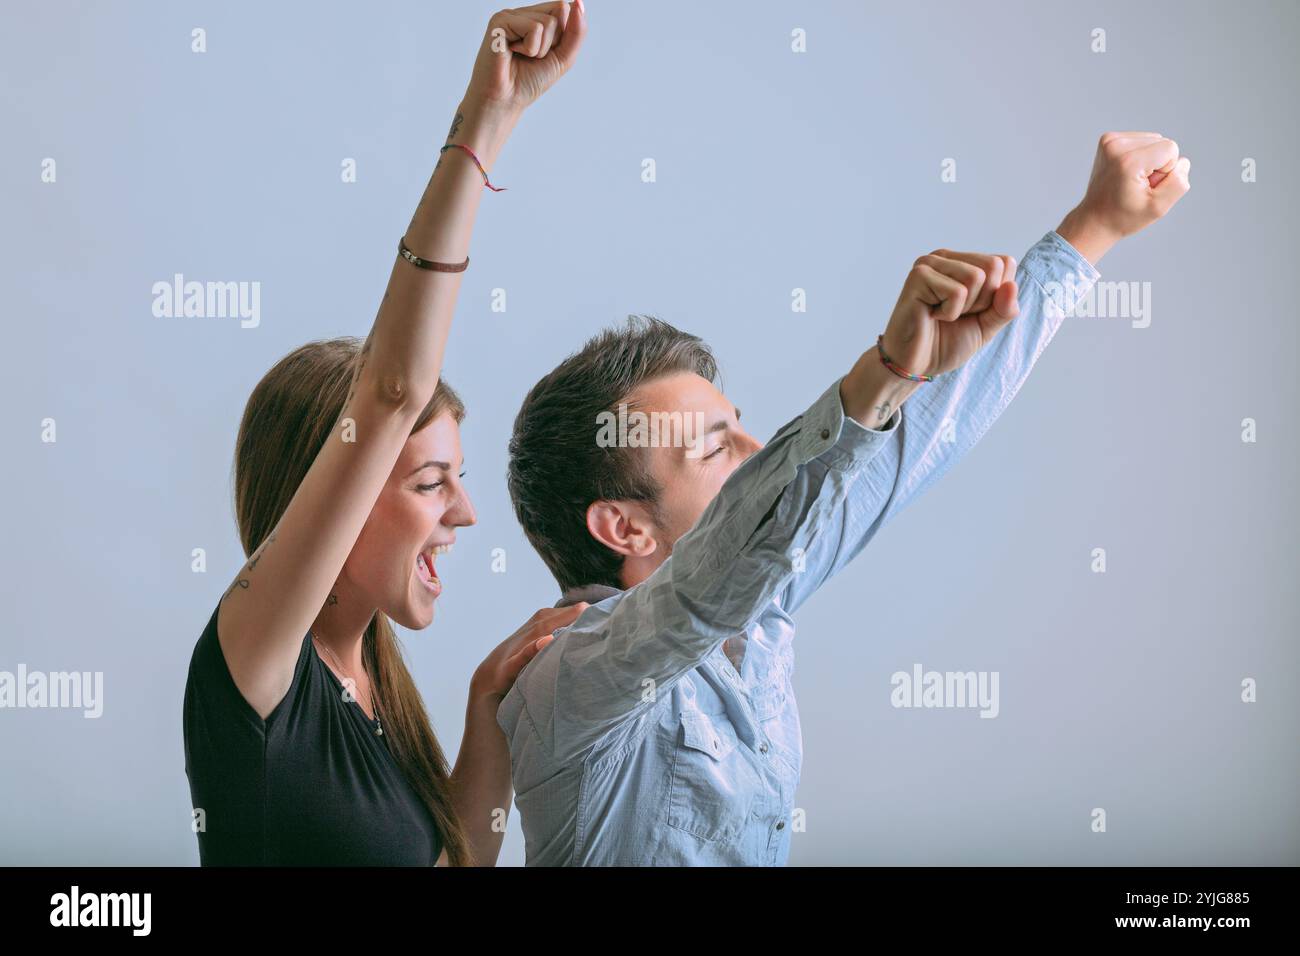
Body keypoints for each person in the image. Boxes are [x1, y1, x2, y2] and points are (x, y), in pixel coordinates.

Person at [501, 132, 1191, 864]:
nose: (758, 453)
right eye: (714, 446)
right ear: (624, 527)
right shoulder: (572, 670)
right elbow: (711, 575)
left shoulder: (758, 620)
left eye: (739, 428)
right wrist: (883, 370)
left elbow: (911, 445)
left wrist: (1094, 228)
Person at [182, 1, 587, 866]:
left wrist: (487, 707)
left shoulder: (374, 688)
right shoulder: (257, 670)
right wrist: (487, 120)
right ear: (335, 488)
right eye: (430, 481)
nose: (467, 513)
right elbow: (395, 388)